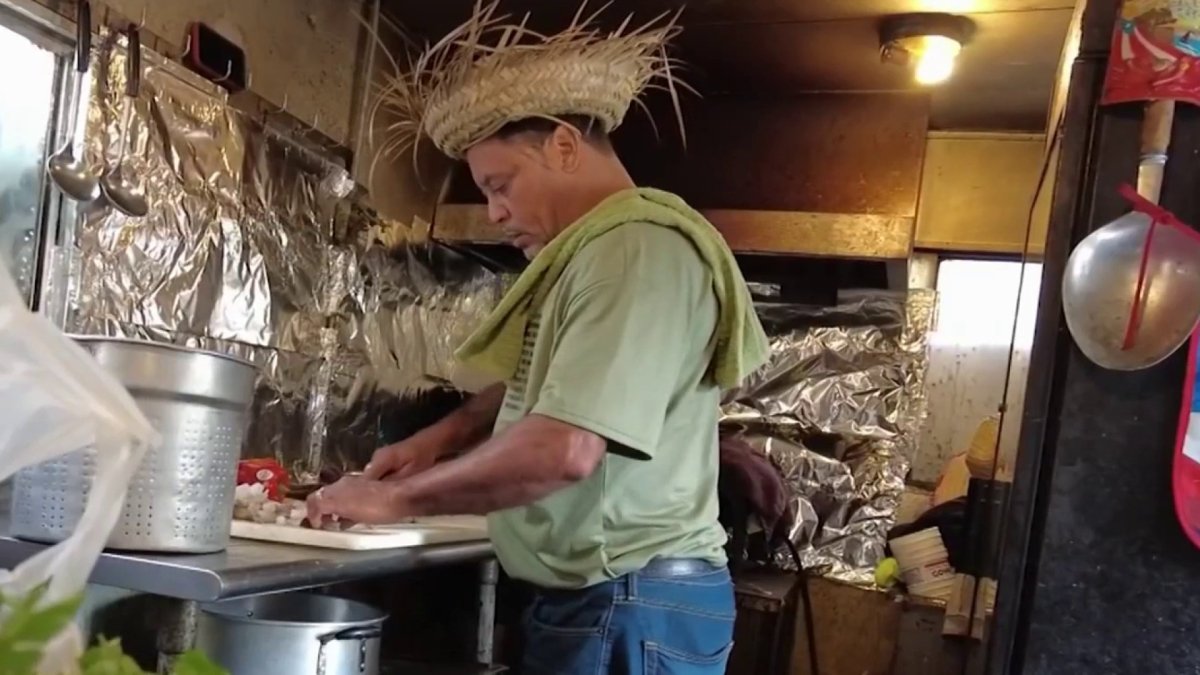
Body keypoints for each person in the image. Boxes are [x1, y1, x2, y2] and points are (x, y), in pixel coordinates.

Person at [307, 4, 770, 673]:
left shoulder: (633, 250)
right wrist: (443, 437)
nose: (495, 212)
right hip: (618, 598)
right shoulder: (602, 252)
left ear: (563, 145)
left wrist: (394, 498)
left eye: (500, 185)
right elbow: (559, 378)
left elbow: (566, 449)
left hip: (628, 599)